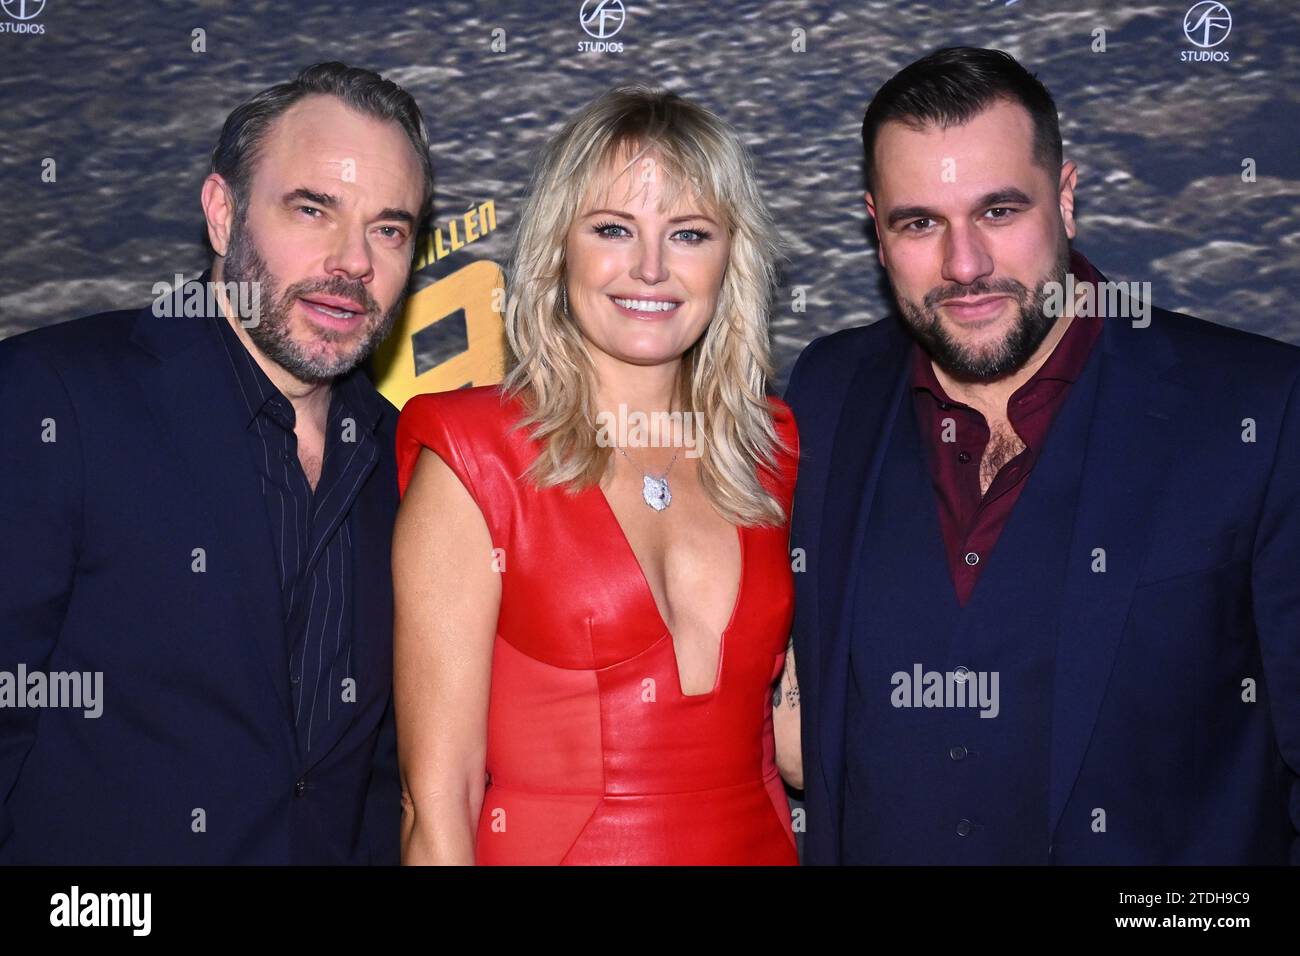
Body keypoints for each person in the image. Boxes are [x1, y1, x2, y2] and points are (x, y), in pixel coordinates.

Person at [786, 47, 1300, 865]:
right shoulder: (825, 391)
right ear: (876, 229)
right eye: (920, 222)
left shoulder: (1256, 409)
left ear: (1065, 199)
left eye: (998, 211)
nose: (965, 266)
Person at [0, 62, 432, 863]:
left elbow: (376, 775)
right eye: (314, 209)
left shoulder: (406, 463)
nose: (353, 261)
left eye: (389, 228)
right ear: (223, 213)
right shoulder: (56, 400)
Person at [393, 85, 801, 865]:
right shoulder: (478, 455)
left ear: (730, 258)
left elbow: (792, 734)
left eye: (688, 233)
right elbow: (436, 804)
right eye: (613, 229)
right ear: (558, 248)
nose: (650, 268)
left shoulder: (771, 451)